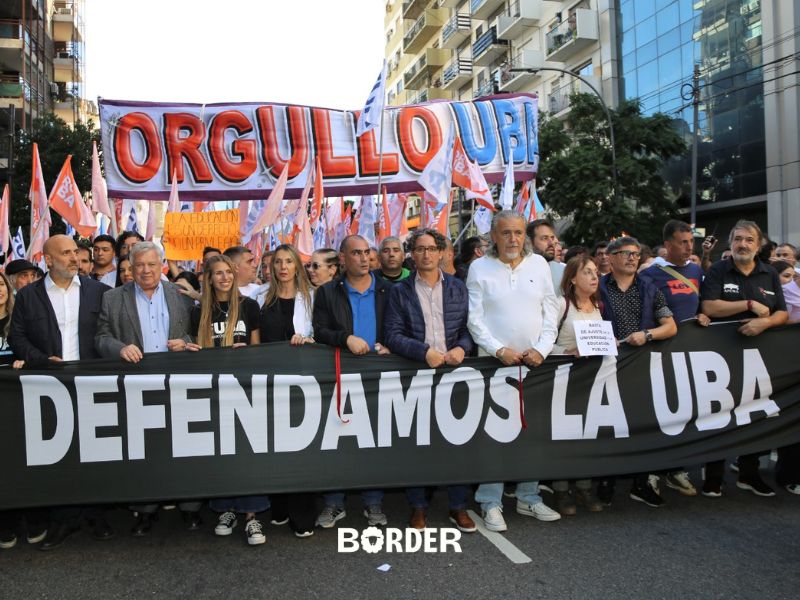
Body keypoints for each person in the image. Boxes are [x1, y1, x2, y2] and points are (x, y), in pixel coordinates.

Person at [8, 234, 114, 549]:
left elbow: (110, 333)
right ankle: (63, 520)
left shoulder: (100, 293)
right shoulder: (29, 297)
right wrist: (43, 361)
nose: (73, 257)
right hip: (49, 387)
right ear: (48, 259)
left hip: (93, 386)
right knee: (59, 456)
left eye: (75, 252)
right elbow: (18, 338)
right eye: (65, 253)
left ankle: (97, 515)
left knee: (97, 452)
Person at [95, 241, 203, 535]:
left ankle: (190, 508)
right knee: (144, 452)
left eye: (151, 264)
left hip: (178, 385)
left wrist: (187, 342)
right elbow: (101, 337)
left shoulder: (181, 296)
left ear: (162, 265)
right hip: (136, 387)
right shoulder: (112, 298)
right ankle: (145, 511)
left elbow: (199, 332)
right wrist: (119, 348)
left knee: (184, 448)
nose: (145, 270)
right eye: (139, 264)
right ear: (130, 267)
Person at [467, 210, 561, 532]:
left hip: (535, 364)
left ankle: (528, 496)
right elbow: (474, 319)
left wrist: (542, 349)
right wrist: (498, 350)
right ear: (493, 236)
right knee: (494, 437)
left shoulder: (540, 266)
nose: (513, 240)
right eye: (506, 233)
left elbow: (551, 311)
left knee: (531, 434)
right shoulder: (478, 268)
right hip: (494, 365)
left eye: (518, 233)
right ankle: (490, 502)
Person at [383, 228, 476, 533]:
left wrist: (463, 347)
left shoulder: (458, 288)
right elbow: (393, 335)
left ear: (441, 253)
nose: (425, 254)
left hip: (454, 374)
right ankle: (418, 507)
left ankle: (458, 506)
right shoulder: (400, 291)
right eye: (419, 249)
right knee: (418, 444)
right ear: (412, 254)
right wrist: (423, 352)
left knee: (458, 443)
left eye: (431, 249)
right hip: (417, 374)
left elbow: (467, 327)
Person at [700, 220, 789, 497]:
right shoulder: (718, 270)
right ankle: (714, 475)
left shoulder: (769, 274)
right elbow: (710, 306)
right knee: (718, 415)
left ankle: (749, 474)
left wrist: (765, 323)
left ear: (758, 244)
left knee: (757, 416)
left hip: (761, 357)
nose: (743, 244)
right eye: (738, 239)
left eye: (749, 240)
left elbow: (782, 313)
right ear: (731, 243)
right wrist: (748, 305)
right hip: (721, 355)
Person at [312, 234, 391, 528]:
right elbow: (320, 331)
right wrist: (345, 338)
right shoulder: (327, 292)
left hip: (379, 377)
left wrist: (391, 343)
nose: (362, 258)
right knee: (338, 440)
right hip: (341, 376)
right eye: (355, 253)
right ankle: (334, 503)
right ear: (343, 258)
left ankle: (374, 503)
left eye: (366, 252)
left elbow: (397, 326)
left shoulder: (387, 290)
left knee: (374, 441)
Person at [597, 236, 678, 507]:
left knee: (642, 426)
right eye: (625, 253)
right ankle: (605, 480)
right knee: (608, 426)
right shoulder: (596, 287)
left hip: (642, 366)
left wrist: (647, 334)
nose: (633, 258)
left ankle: (640, 483)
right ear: (610, 258)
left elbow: (670, 326)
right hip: (604, 368)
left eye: (636, 254)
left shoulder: (649, 288)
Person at [191, 254, 265, 545]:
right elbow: (196, 351)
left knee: (249, 452)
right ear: (209, 279)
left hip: (246, 390)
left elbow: (259, 350)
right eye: (218, 273)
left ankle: (252, 516)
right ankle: (225, 509)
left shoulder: (249, 306)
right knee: (220, 452)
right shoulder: (199, 312)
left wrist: (245, 351)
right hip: (214, 393)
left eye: (228, 272)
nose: (224, 277)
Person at [639, 220, 710, 497]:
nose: (688, 247)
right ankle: (653, 471)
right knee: (661, 412)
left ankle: (676, 469)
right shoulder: (652, 274)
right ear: (667, 246)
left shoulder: (695, 270)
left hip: (691, 353)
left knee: (686, 412)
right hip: (661, 352)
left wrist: (706, 313)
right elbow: (645, 309)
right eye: (682, 242)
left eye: (690, 241)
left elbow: (703, 302)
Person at [258, 245, 317, 537]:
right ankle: (278, 505)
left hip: (302, 382)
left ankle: (302, 513)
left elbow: (321, 333)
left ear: (297, 266)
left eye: (288, 262)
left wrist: (308, 339)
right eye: (278, 262)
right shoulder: (259, 297)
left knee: (302, 447)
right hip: (269, 384)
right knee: (273, 446)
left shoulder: (312, 298)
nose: (283, 267)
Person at [549, 256, 605, 515]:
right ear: (572, 278)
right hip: (562, 381)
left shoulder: (598, 306)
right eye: (587, 272)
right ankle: (561, 490)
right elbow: (545, 343)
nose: (594, 277)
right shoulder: (561, 305)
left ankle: (584, 487)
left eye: (595, 272)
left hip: (591, 381)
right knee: (563, 437)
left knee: (587, 436)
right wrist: (568, 350)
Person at [0, 270, 48, 549]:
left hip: (21, 401)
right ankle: (6, 520)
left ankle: (35, 515)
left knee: (27, 460)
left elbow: (33, 349)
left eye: (1, 284)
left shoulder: (20, 318)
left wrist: (25, 361)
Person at [527, 218, 566, 294]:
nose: (551, 243)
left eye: (552, 238)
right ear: (530, 242)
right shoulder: (519, 271)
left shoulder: (565, 270)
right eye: (545, 238)